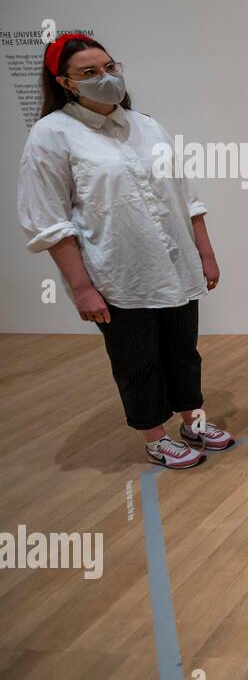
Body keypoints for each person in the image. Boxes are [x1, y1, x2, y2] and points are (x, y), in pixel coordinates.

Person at [17, 33, 235, 468]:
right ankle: (154, 436)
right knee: (136, 359)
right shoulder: (51, 136)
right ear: (65, 82)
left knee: (183, 349)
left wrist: (205, 254)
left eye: (110, 67)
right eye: (90, 73)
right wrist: (81, 288)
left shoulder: (147, 125)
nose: (106, 77)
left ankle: (193, 419)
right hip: (117, 274)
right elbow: (48, 221)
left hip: (175, 263)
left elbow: (186, 196)